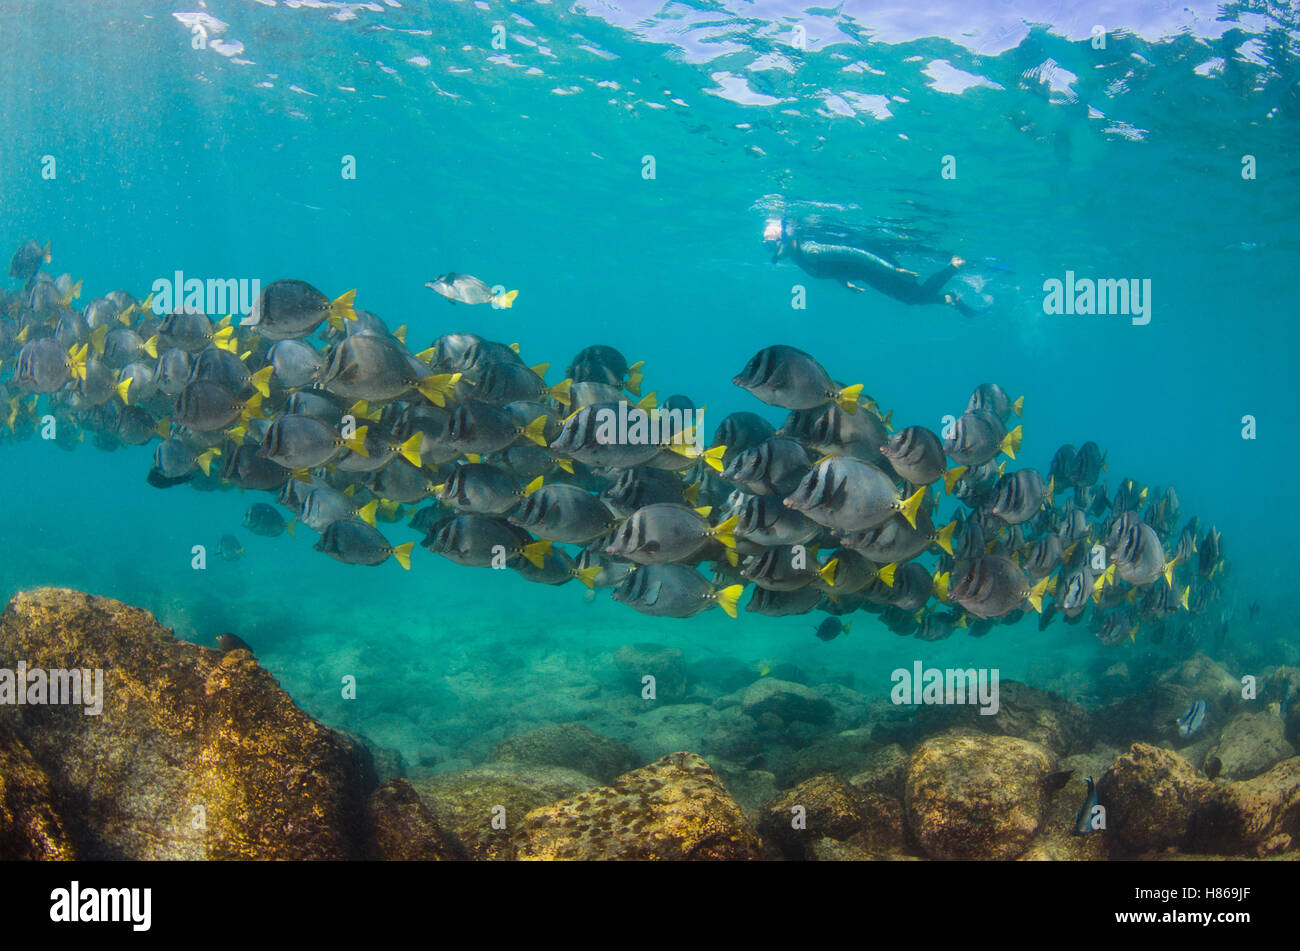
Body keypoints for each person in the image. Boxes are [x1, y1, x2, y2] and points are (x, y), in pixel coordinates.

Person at [764, 217, 977, 315]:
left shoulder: (810, 250)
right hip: (868, 274)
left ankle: (954, 266)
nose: (768, 247)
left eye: (769, 242)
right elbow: (834, 267)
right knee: (911, 299)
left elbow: (855, 254)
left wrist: (892, 270)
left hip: (875, 264)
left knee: (915, 297)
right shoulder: (797, 257)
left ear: (782, 236)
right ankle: (950, 299)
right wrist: (844, 283)